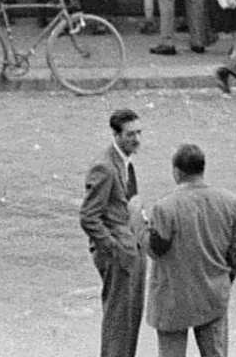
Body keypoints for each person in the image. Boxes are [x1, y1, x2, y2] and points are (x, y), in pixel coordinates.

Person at [145, 144, 236, 357]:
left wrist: (138, 226)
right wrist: (223, 281)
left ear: (177, 171)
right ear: (202, 168)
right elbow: (235, 253)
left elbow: (155, 249)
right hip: (213, 294)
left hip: (172, 298)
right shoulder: (229, 202)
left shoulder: (165, 207)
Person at [80, 108, 147, 357]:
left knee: (130, 318)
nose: (137, 139)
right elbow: (88, 216)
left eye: (139, 133)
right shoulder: (105, 167)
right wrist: (112, 248)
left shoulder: (124, 162)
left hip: (130, 250)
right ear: (116, 135)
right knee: (119, 322)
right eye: (130, 134)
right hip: (119, 254)